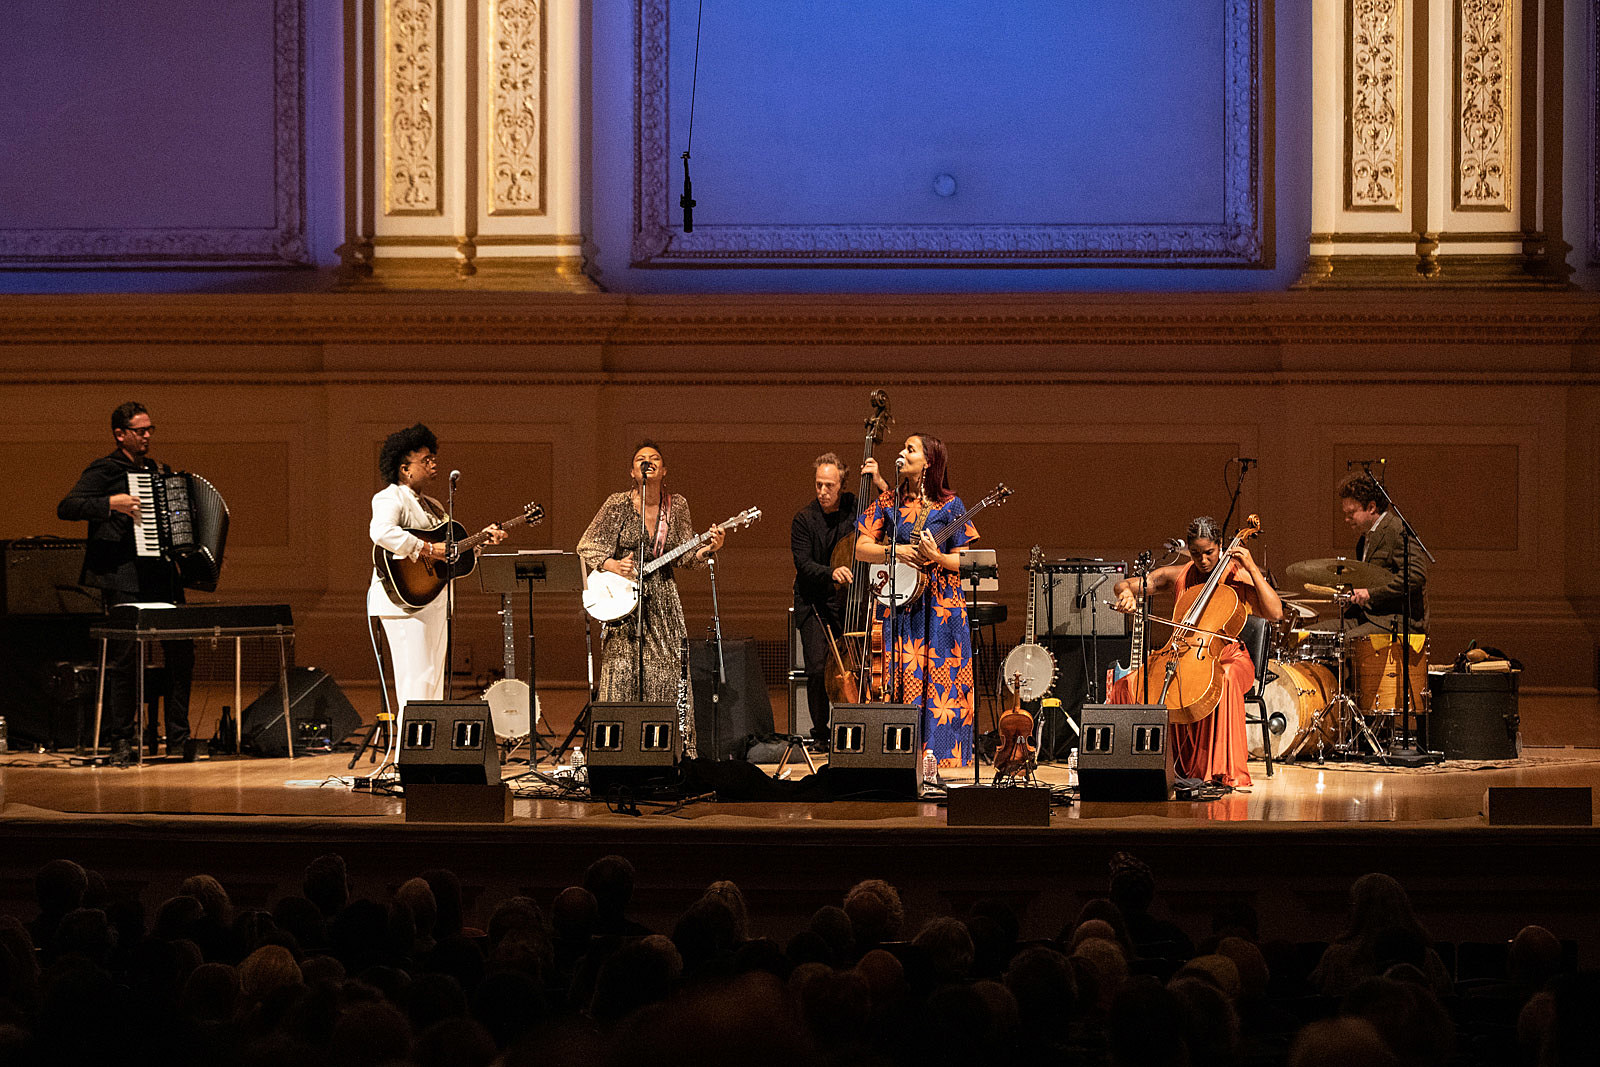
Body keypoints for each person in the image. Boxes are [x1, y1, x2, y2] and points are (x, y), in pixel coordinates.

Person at [57, 402, 195, 766]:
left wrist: (192, 545)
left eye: (150, 429)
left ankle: (179, 737)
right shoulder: (106, 469)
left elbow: (177, 522)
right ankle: (123, 740)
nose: (147, 435)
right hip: (123, 576)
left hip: (162, 577)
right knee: (125, 660)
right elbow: (67, 506)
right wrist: (109, 504)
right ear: (121, 434)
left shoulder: (159, 472)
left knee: (182, 652)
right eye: (140, 430)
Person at [1111, 516, 1282, 788]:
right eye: (1195, 553)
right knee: (1127, 685)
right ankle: (1127, 764)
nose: (1202, 560)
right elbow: (1127, 584)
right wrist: (1126, 594)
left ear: (1221, 546)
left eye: (1209, 553)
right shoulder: (1181, 574)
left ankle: (1217, 771)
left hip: (1228, 657)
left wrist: (1250, 565)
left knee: (1221, 681)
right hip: (1181, 654)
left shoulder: (1237, 575)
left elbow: (1275, 612)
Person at [852, 433, 977, 776]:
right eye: (903, 448)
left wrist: (936, 556)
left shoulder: (951, 505)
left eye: (911, 449)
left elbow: (966, 559)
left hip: (941, 603)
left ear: (929, 462)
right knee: (903, 671)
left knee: (942, 677)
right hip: (901, 602)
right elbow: (862, 547)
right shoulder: (888, 501)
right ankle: (901, 751)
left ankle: (942, 756)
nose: (901, 453)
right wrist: (896, 551)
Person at [368, 424, 506, 722]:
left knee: (432, 679)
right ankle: (409, 757)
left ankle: (427, 752)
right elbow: (381, 532)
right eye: (426, 460)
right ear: (405, 469)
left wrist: (481, 541)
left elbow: (451, 553)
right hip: (405, 602)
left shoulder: (433, 505)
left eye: (433, 459)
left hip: (433, 600)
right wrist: (429, 550)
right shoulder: (390, 498)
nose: (434, 464)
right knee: (415, 680)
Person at [577, 442, 724, 706]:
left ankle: (667, 745)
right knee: (622, 675)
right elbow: (587, 546)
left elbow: (686, 556)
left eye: (654, 458)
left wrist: (710, 549)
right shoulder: (617, 504)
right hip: (622, 601)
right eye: (640, 459)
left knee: (667, 676)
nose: (648, 462)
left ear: (664, 470)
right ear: (632, 472)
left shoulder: (676, 506)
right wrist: (613, 564)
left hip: (662, 602)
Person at [791, 451, 886, 750]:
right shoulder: (804, 520)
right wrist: (832, 572)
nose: (822, 491)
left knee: (857, 665)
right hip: (815, 603)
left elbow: (890, 515)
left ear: (842, 485)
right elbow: (803, 565)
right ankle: (821, 733)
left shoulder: (855, 508)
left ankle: (856, 726)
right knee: (818, 668)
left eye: (829, 485)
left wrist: (880, 482)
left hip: (849, 605)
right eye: (819, 484)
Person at [1338, 472, 1427, 637]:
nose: (1346, 519)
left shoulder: (1397, 530)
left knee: (1348, 641)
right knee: (1315, 633)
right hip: (1371, 617)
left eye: (1351, 513)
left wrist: (1371, 593)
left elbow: (1415, 574)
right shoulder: (1364, 539)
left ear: (1371, 508)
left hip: (1397, 621)